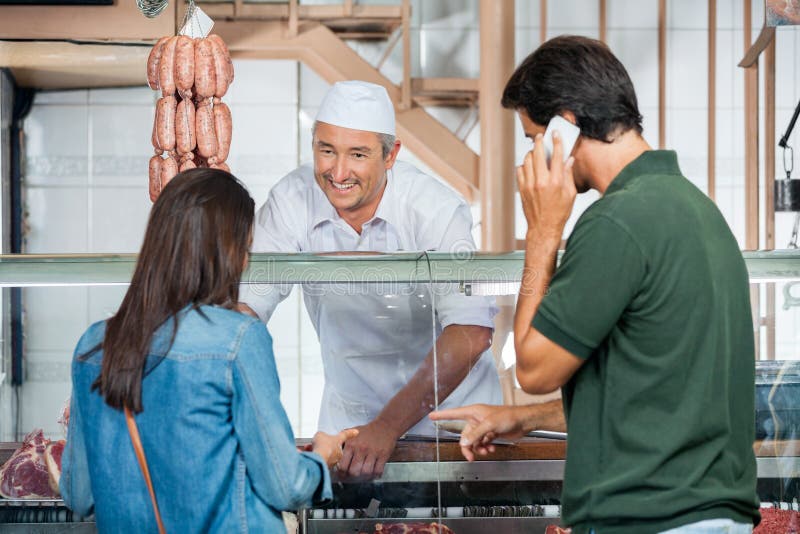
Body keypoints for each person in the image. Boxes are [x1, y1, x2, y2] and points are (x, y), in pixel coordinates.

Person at [432, 35, 760, 533]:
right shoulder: (697, 211)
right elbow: (658, 398)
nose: (531, 161)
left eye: (532, 140)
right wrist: (521, 419)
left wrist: (543, 233)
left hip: (648, 520)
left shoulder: (617, 222)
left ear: (564, 126)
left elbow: (536, 370)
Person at [61, 169, 357, 533]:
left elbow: (78, 494)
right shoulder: (237, 340)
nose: (246, 262)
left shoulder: (94, 346)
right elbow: (285, 486)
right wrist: (323, 457)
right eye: (245, 249)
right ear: (227, 254)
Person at [239, 80, 502, 479]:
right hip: (350, 425)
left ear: (391, 155)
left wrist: (388, 426)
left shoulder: (434, 209)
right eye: (326, 151)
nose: (338, 172)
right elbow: (246, 311)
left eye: (358, 154)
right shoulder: (292, 199)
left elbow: (471, 332)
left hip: (451, 425)